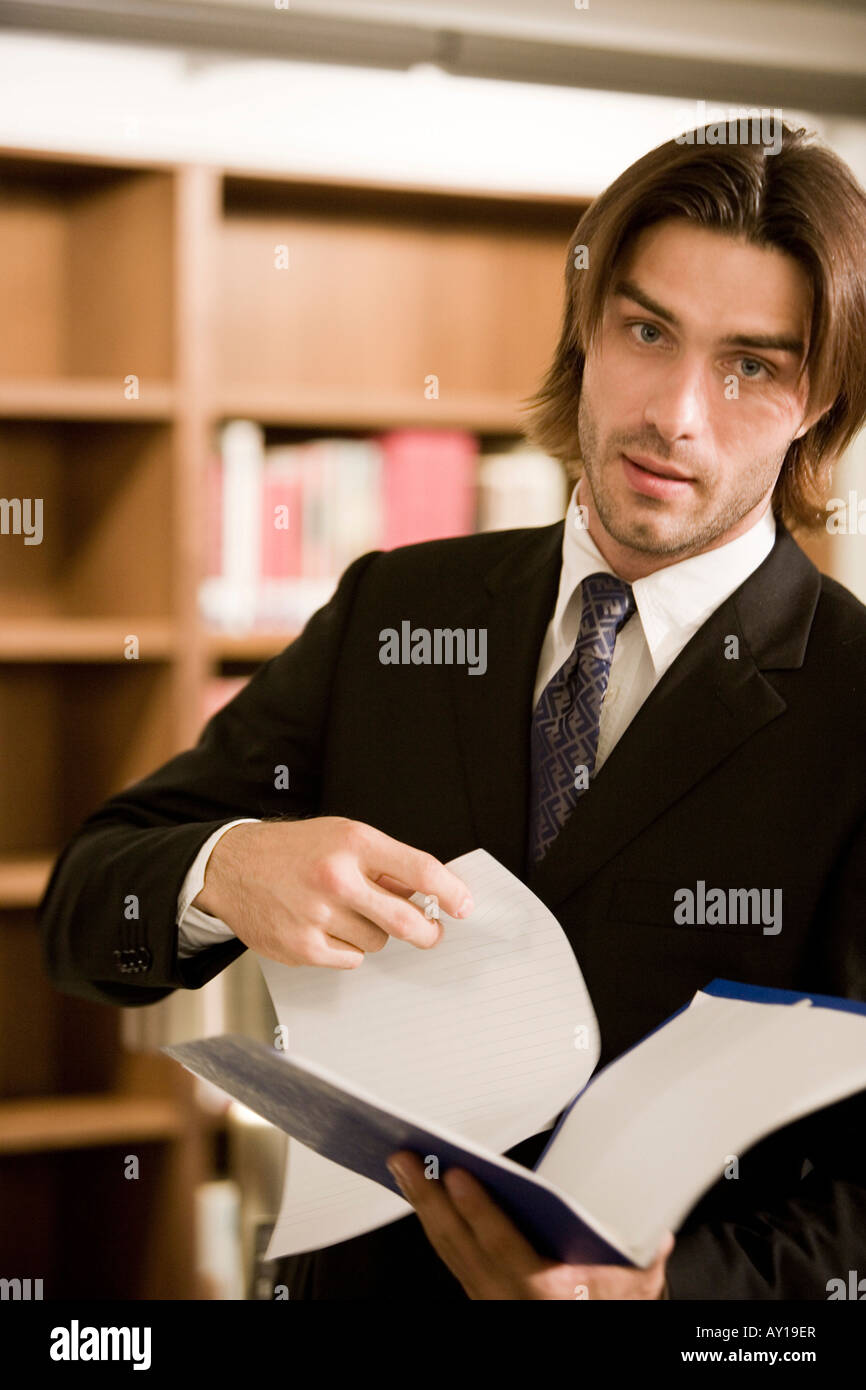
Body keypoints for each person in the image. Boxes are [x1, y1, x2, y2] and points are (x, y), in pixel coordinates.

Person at [40, 120, 866, 1300]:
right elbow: (85, 908)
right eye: (645, 331)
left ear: (817, 401)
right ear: (585, 329)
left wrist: (668, 1299)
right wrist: (227, 868)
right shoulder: (395, 606)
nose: (676, 412)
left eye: (750, 366)